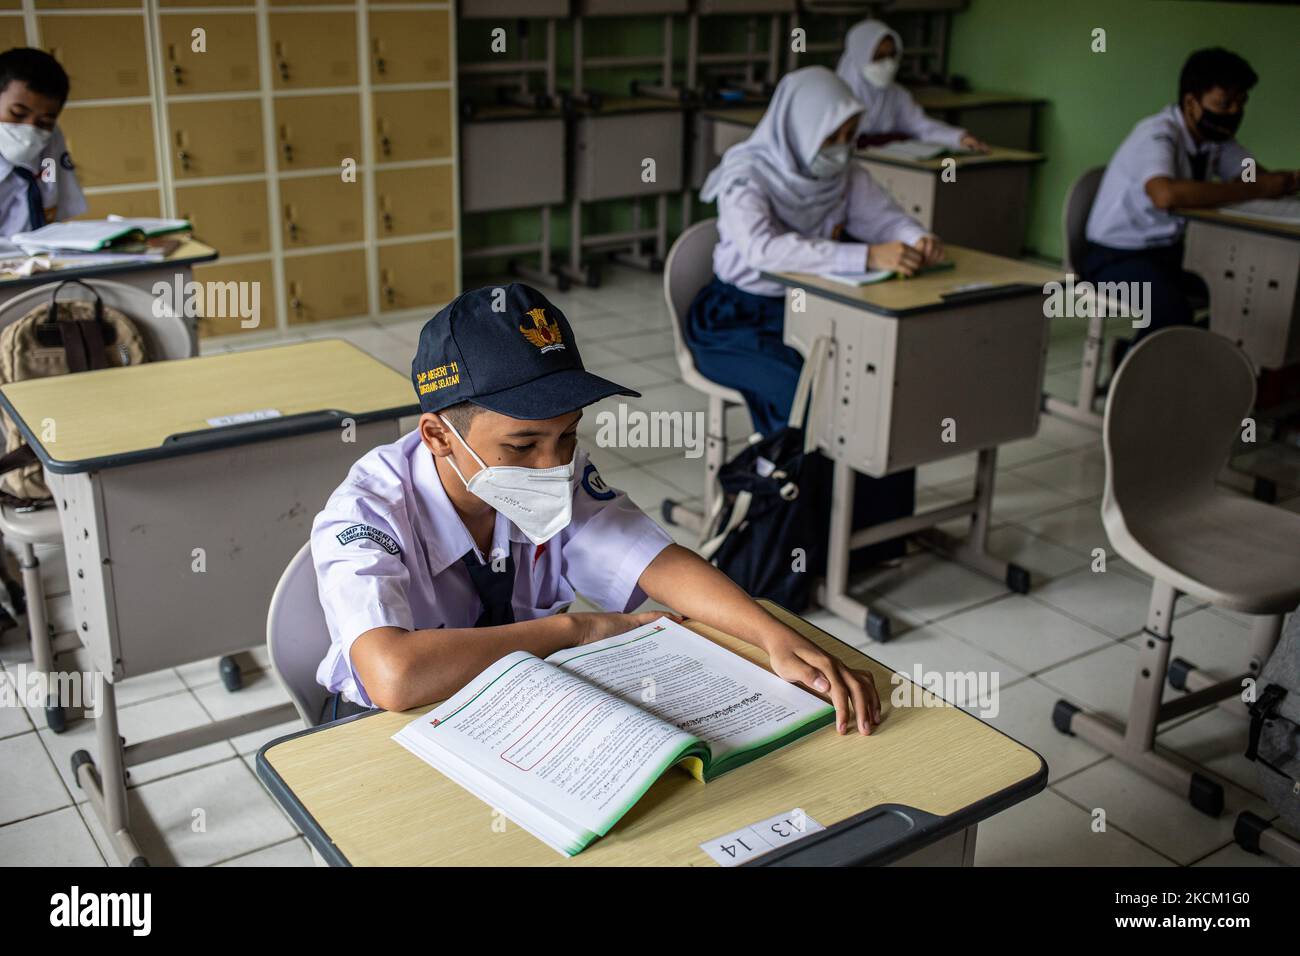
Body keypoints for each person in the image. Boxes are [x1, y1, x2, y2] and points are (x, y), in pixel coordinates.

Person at [310, 282, 881, 738]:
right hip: (385, 729)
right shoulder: (367, 512)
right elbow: (395, 675)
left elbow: (655, 560)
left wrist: (770, 633)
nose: (552, 467)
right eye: (522, 445)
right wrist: (578, 630)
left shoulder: (547, 472)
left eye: (569, 435)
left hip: (510, 699)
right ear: (436, 435)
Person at [688, 66, 942, 563]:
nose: (843, 147)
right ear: (800, 127)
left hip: (812, 312)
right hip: (734, 319)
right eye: (833, 135)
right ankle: (800, 542)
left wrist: (914, 238)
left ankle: (869, 538)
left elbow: (884, 218)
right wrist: (864, 256)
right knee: (813, 397)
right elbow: (762, 249)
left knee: (873, 383)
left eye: (850, 135)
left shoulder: (842, 174)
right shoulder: (747, 174)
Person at [1083, 47, 1298, 349]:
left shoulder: (1218, 142)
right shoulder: (1158, 134)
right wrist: (1258, 188)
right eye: (1224, 104)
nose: (1234, 113)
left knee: (1243, 300)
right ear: (1191, 103)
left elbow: (1253, 176)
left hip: (1169, 256)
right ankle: (1126, 375)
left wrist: (1285, 182)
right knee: (1173, 313)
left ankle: (1157, 358)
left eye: (1241, 103)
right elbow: (1165, 194)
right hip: (1116, 259)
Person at [835, 19, 987, 152]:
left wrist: (959, 138)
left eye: (892, 55)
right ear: (859, 57)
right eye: (879, 57)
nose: (888, 64)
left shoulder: (896, 94)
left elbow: (920, 126)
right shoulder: (835, 95)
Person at [0, 48, 85, 237]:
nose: (30, 130)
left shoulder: (51, 139)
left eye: (45, 122)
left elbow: (52, 194)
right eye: (18, 114)